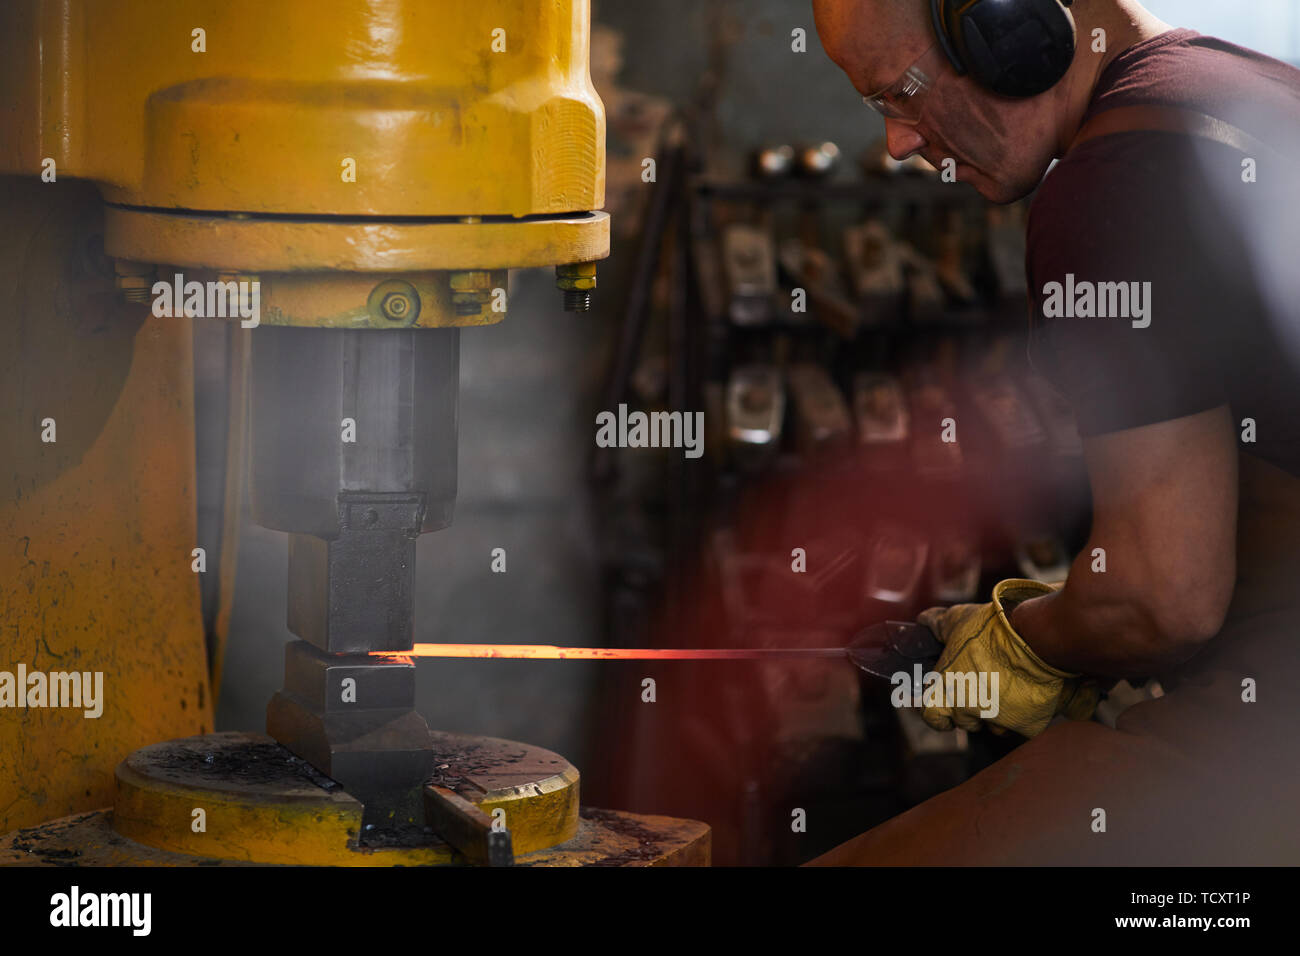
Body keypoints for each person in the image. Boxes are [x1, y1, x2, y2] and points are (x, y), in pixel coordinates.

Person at [810, 0, 1300, 864]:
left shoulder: (1109, 178)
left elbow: (1162, 597)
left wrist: (1022, 644)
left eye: (900, 94)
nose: (897, 143)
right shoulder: (1244, 85)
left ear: (1007, 28)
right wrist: (1071, 630)